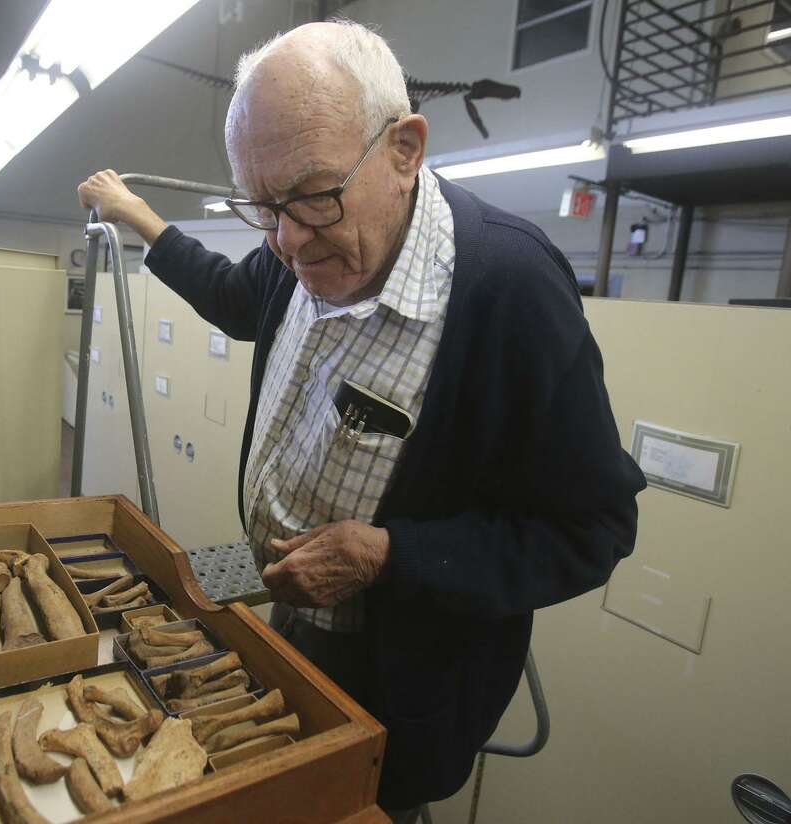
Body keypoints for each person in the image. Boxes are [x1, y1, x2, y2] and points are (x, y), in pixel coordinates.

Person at [78, 20, 646, 820]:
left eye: (312, 196)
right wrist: (136, 215)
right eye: (263, 207)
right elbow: (238, 297)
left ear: (405, 149)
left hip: (405, 684)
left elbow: (594, 527)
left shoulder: (508, 290)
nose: (287, 241)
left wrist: (391, 556)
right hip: (294, 626)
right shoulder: (297, 246)